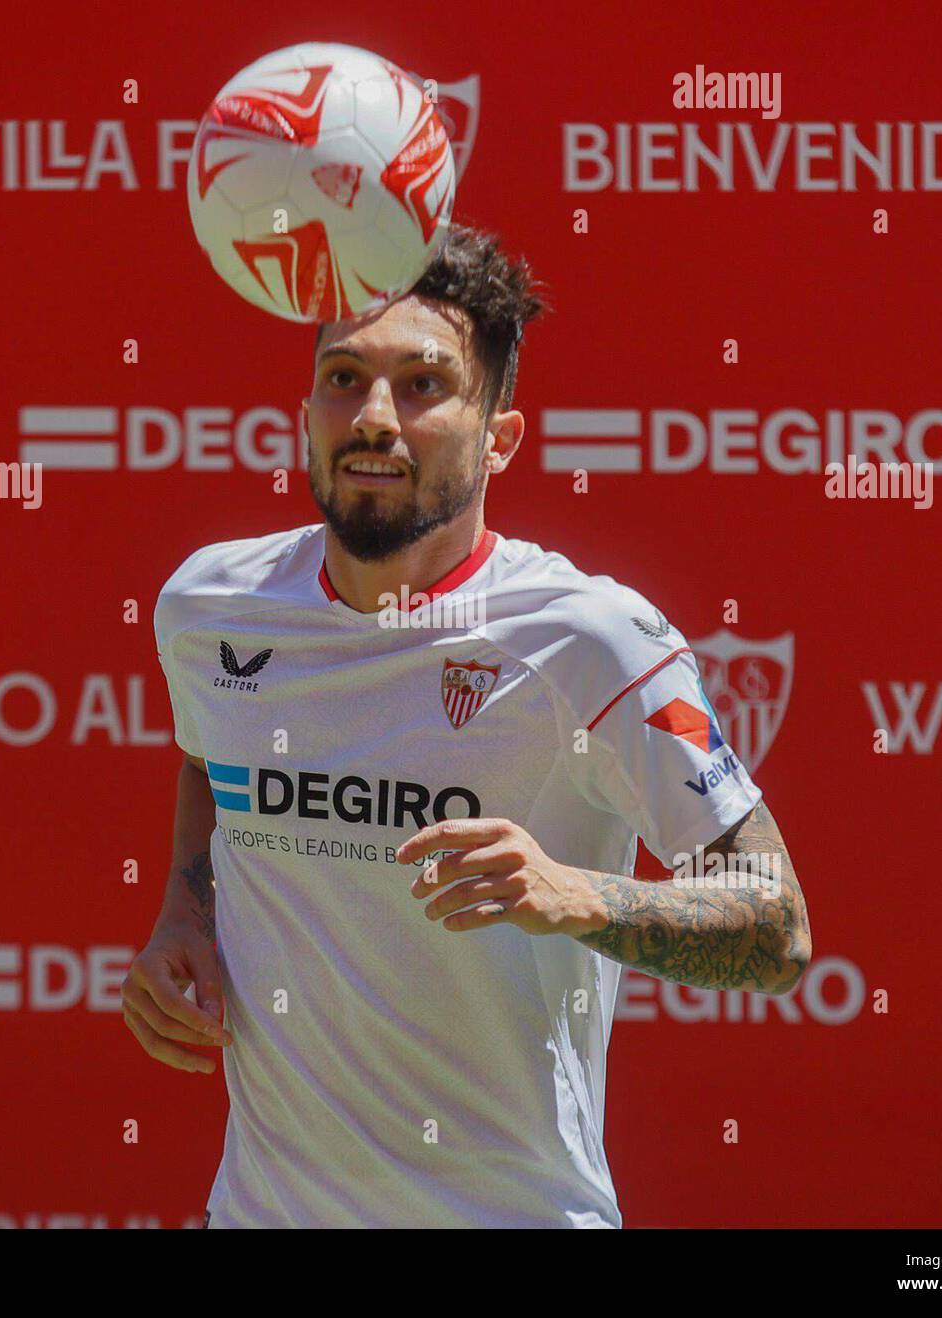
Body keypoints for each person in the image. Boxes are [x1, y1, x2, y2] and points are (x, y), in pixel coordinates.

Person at [123, 223, 812, 1228]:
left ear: (500, 437)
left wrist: (575, 895)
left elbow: (775, 923)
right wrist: (187, 906)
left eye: (422, 384)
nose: (372, 416)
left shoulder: (590, 639)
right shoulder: (210, 608)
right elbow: (208, 752)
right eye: (344, 375)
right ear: (304, 411)